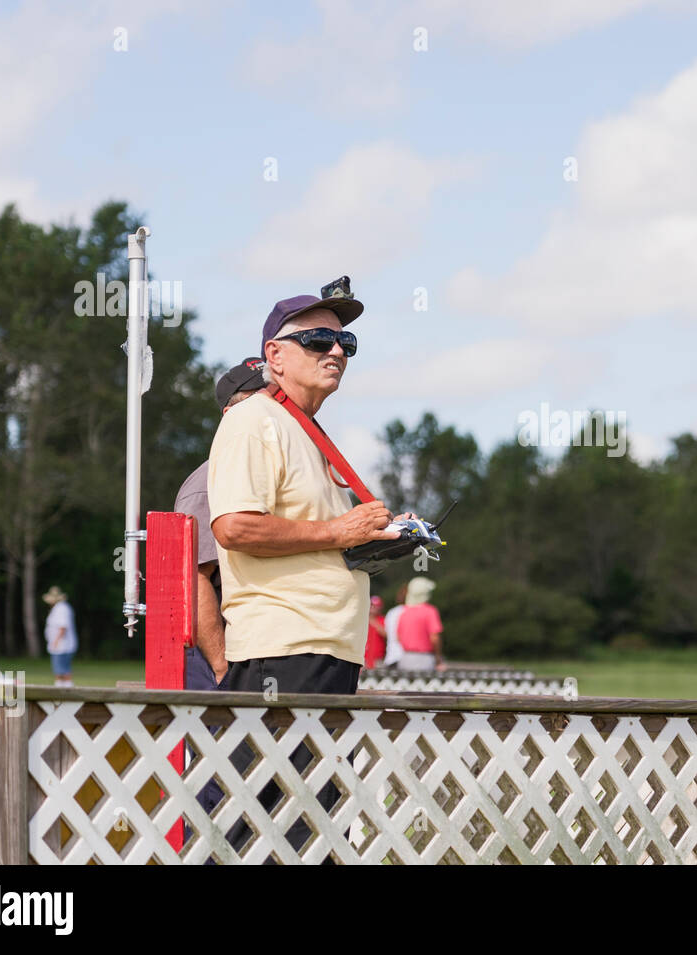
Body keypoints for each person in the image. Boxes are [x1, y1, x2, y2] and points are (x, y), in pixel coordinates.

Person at [208, 282, 416, 858]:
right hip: (285, 648)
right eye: (318, 339)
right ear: (274, 356)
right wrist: (337, 532)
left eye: (345, 340)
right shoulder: (254, 419)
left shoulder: (308, 431)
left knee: (314, 823)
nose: (337, 351)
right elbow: (234, 528)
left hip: (322, 648)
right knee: (274, 829)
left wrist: (377, 537)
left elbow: (321, 540)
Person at [173, 358, 267, 691]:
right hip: (222, 659)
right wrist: (222, 665)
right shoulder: (209, 482)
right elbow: (196, 580)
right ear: (231, 414)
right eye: (257, 401)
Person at [395, 577, 444, 672]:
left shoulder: (404, 612)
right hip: (424, 659)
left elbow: (398, 637)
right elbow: (435, 638)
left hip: (405, 657)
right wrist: (438, 658)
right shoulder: (430, 611)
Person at [42, 586, 77, 687]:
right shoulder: (59, 608)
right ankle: (63, 688)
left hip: (62, 646)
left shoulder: (61, 608)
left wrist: (55, 641)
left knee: (62, 671)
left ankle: (64, 689)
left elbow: (62, 626)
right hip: (60, 645)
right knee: (61, 670)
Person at [381, 583, 408, 669]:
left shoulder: (392, 612)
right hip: (406, 658)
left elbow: (387, 633)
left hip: (391, 657)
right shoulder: (411, 612)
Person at [363, 595, 386, 669]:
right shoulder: (363, 619)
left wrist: (372, 620)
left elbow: (385, 633)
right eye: (372, 605)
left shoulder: (383, 619)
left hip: (377, 658)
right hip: (364, 658)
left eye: (376, 606)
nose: (373, 608)